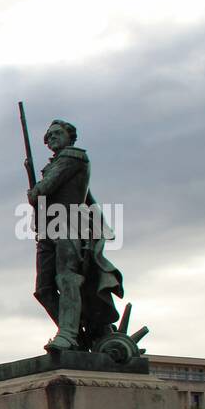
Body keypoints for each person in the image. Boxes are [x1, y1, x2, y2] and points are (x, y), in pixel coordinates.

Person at [27, 118, 123, 351]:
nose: (52, 138)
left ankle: (68, 334)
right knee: (44, 290)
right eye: (48, 136)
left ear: (70, 136)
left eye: (57, 133)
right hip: (49, 228)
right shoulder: (57, 163)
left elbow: (42, 191)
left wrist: (35, 190)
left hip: (69, 222)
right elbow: (87, 198)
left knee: (67, 277)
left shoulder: (73, 157)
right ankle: (79, 334)